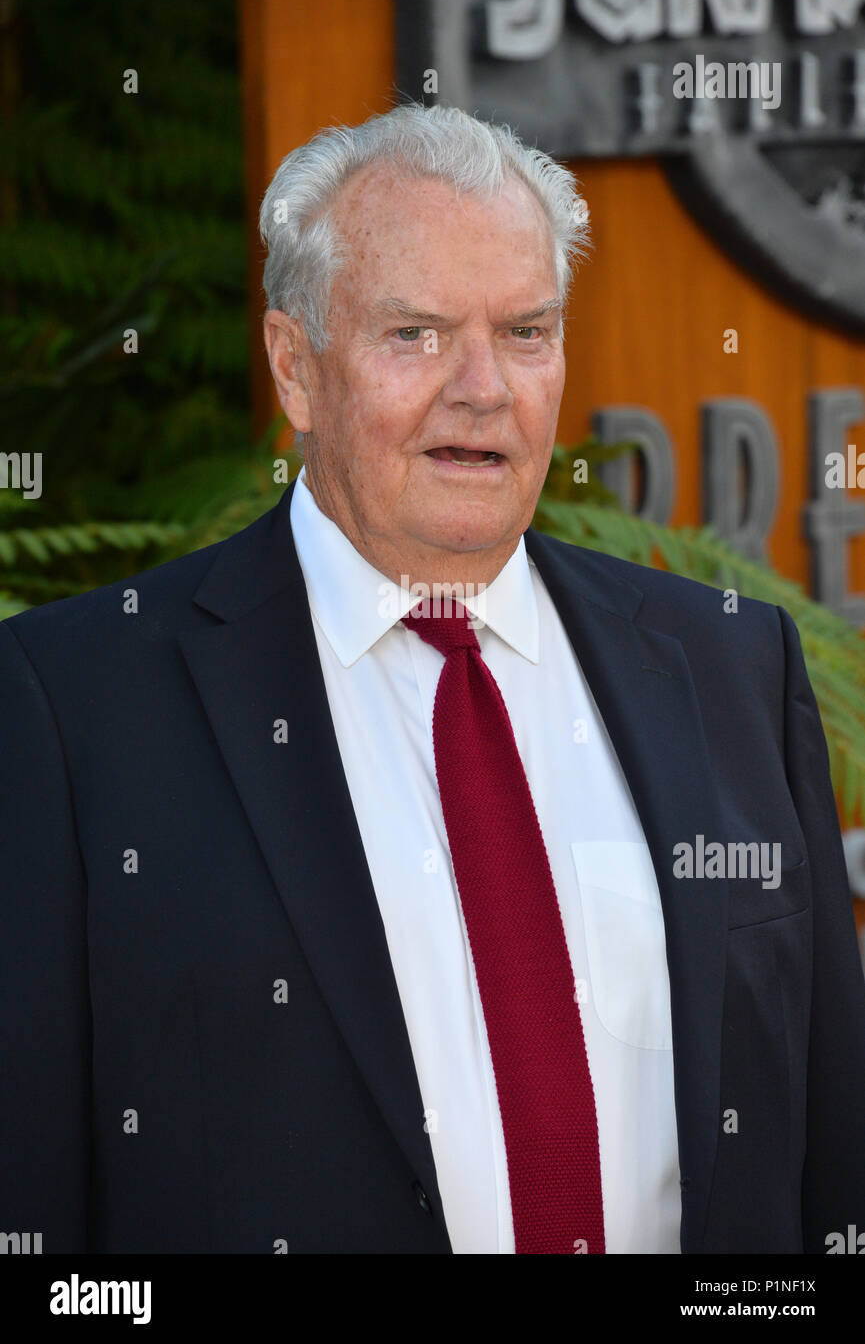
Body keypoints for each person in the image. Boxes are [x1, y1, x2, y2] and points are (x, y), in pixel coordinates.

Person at [1, 103, 864, 1255]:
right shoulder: (74, 706)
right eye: (413, 334)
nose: (483, 387)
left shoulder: (728, 664)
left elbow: (828, 1152)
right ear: (295, 367)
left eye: (525, 330)